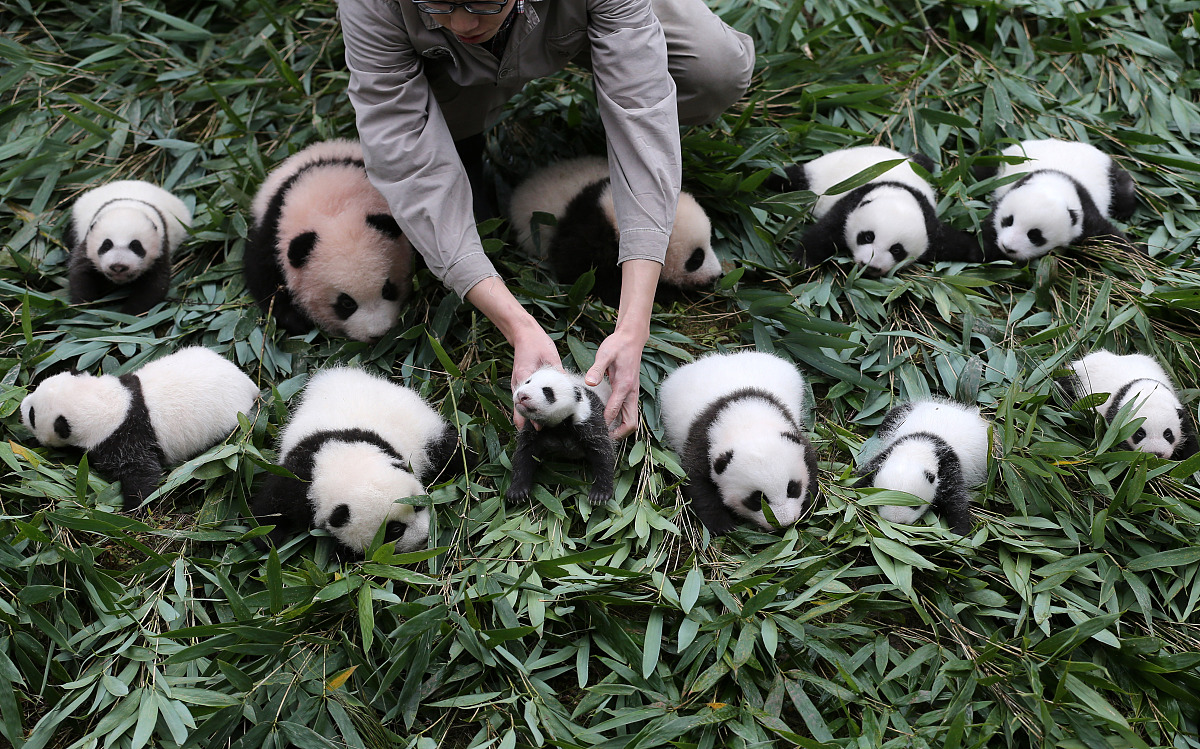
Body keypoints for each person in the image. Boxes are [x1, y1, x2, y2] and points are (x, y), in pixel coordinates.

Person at [338, 0, 754, 438]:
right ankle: (459, 111)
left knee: (713, 69)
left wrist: (634, 323)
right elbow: (406, 160)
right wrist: (516, 325)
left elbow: (642, 114)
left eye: (481, 0)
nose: (462, 21)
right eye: (438, 3)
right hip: (436, 55)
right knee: (452, 213)